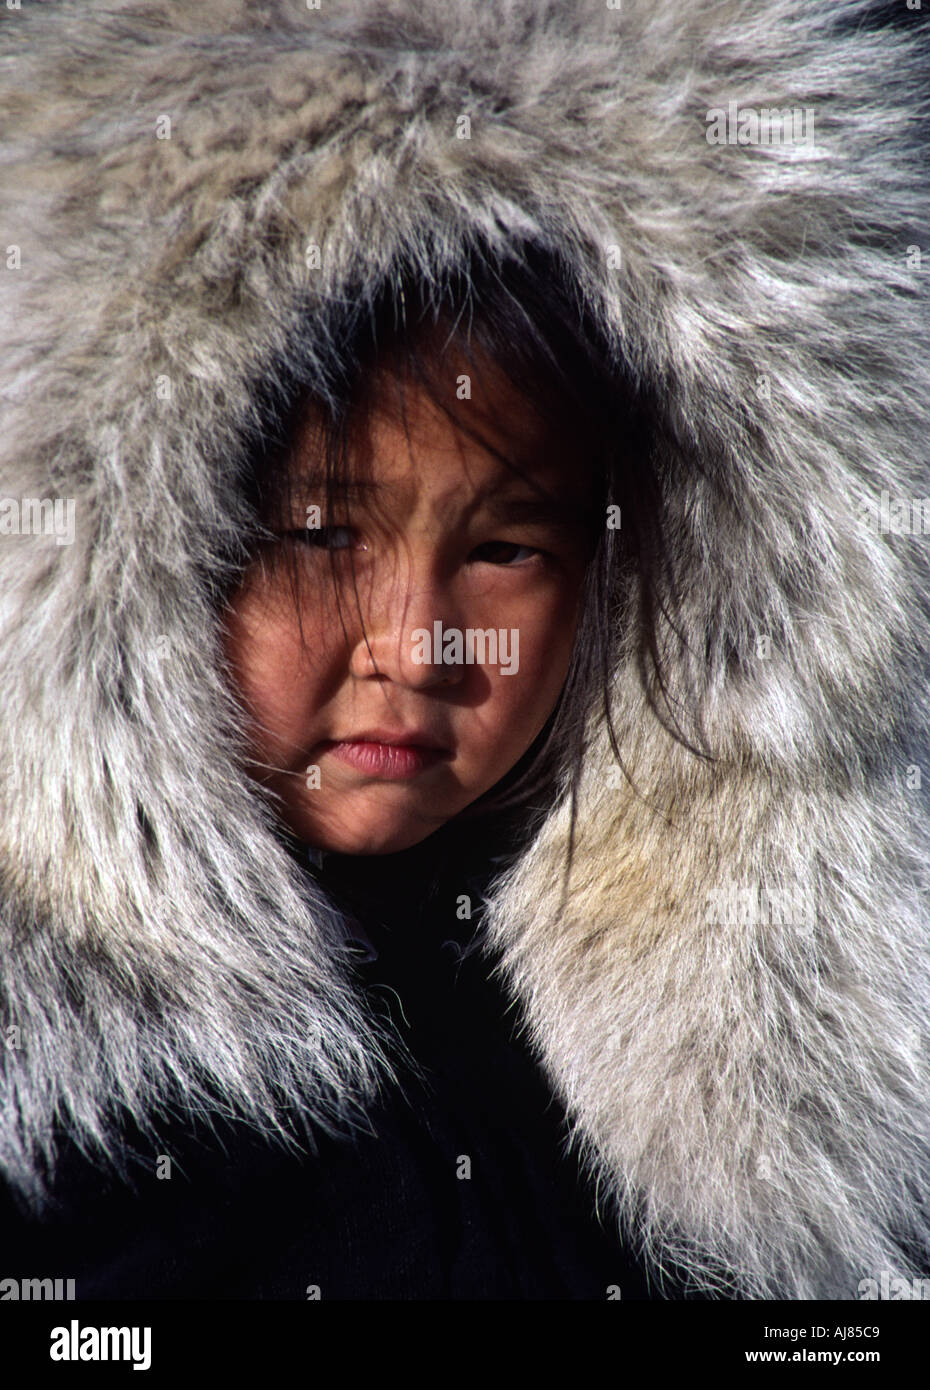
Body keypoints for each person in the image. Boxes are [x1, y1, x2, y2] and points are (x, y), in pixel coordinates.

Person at [0, 0, 928, 1303]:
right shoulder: (73, 1165)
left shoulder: (729, 1085)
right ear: (117, 565)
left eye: (506, 550)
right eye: (319, 535)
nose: (421, 644)